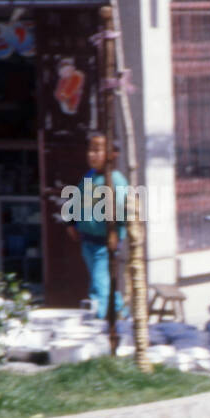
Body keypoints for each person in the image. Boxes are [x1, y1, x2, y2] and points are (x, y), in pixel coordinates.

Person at [65, 132, 127, 319]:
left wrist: (116, 233)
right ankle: (118, 313)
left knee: (101, 285)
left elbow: (124, 210)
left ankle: (105, 323)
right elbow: (76, 199)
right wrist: (71, 223)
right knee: (100, 283)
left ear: (112, 154)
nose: (91, 154)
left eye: (97, 150)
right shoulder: (89, 177)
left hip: (104, 245)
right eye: (90, 150)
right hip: (88, 242)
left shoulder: (116, 180)